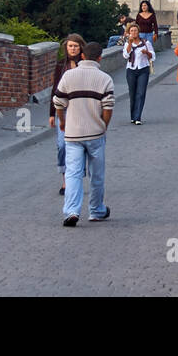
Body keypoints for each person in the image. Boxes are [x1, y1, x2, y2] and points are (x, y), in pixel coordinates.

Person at [52, 41, 113, 227]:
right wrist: (103, 124)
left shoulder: (69, 76)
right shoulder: (105, 79)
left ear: (83, 56)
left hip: (73, 134)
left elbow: (58, 102)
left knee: (73, 173)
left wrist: (63, 121)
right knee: (97, 174)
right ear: (100, 58)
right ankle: (96, 210)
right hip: (95, 133)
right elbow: (108, 107)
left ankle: (71, 210)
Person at [50, 33, 86, 196]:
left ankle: (76, 177)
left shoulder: (85, 65)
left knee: (80, 145)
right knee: (62, 145)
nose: (73, 49)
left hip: (80, 110)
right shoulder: (60, 65)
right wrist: (52, 113)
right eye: (70, 46)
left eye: (76, 46)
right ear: (66, 47)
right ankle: (65, 180)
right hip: (62, 110)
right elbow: (55, 89)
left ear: (80, 48)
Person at [122, 23, 154, 124]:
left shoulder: (145, 43)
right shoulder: (127, 44)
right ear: (128, 33)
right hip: (131, 70)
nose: (134, 33)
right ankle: (133, 115)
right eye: (131, 31)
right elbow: (126, 56)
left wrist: (147, 53)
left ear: (138, 32)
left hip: (143, 69)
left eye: (135, 31)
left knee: (141, 93)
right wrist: (130, 43)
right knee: (132, 93)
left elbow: (153, 56)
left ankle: (137, 117)